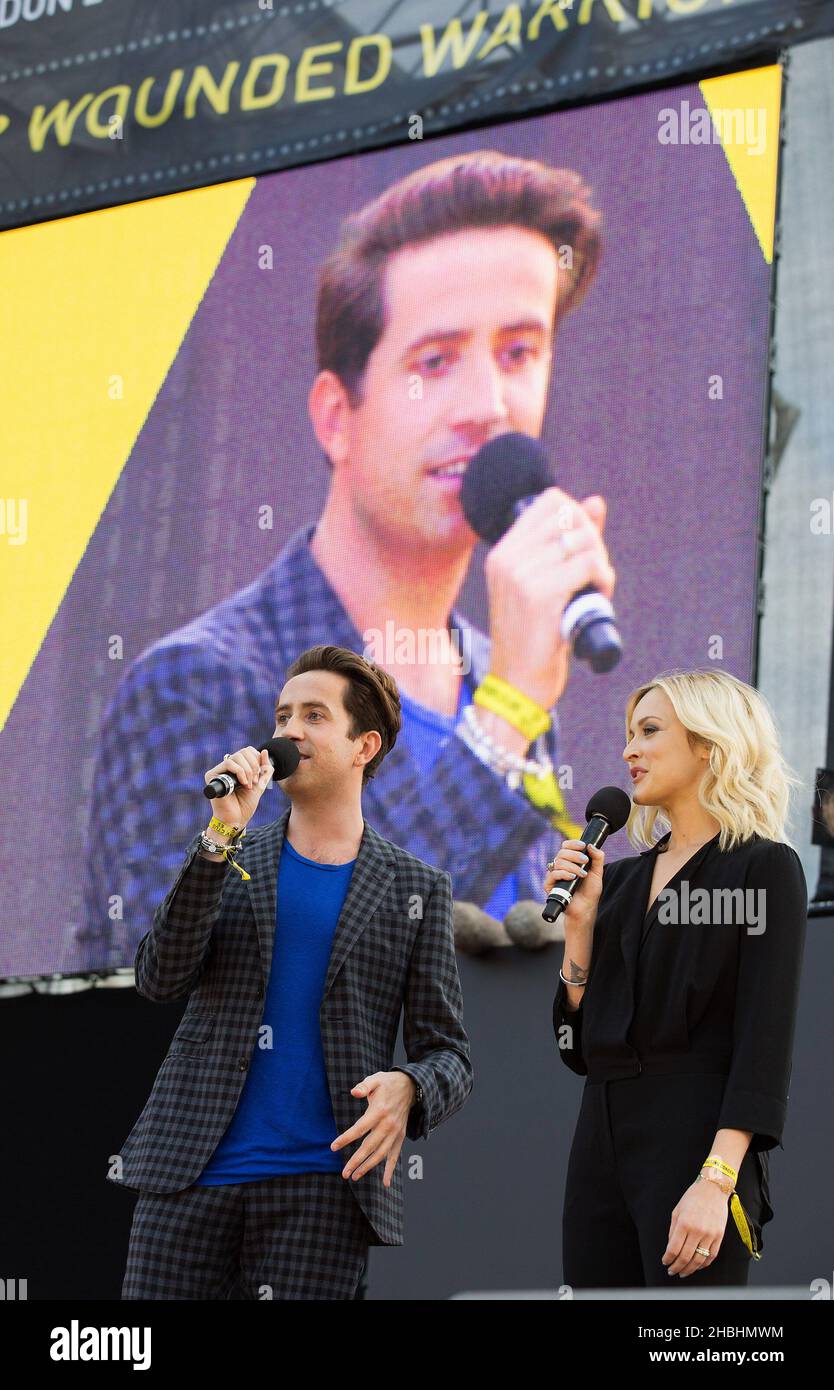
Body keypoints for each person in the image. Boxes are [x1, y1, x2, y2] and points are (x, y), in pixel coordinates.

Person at [66, 148, 616, 971]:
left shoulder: (502, 673)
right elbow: (219, 972)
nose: (487, 408)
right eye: (435, 362)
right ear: (335, 415)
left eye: (517, 352)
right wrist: (503, 724)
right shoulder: (195, 683)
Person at [111, 645, 473, 1299]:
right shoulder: (230, 853)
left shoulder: (415, 887)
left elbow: (449, 1054)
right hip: (186, 1177)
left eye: (312, 715)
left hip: (321, 1192)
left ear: (364, 745)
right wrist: (219, 838)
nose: (288, 732)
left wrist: (410, 1087)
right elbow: (158, 978)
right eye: (281, 717)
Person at [547, 669, 808, 1288]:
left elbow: (763, 1044)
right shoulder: (623, 882)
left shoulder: (763, 867)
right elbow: (578, 1048)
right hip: (600, 1140)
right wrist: (580, 929)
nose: (628, 750)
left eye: (649, 731)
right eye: (627, 733)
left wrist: (717, 1180)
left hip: (696, 1139)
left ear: (708, 745)